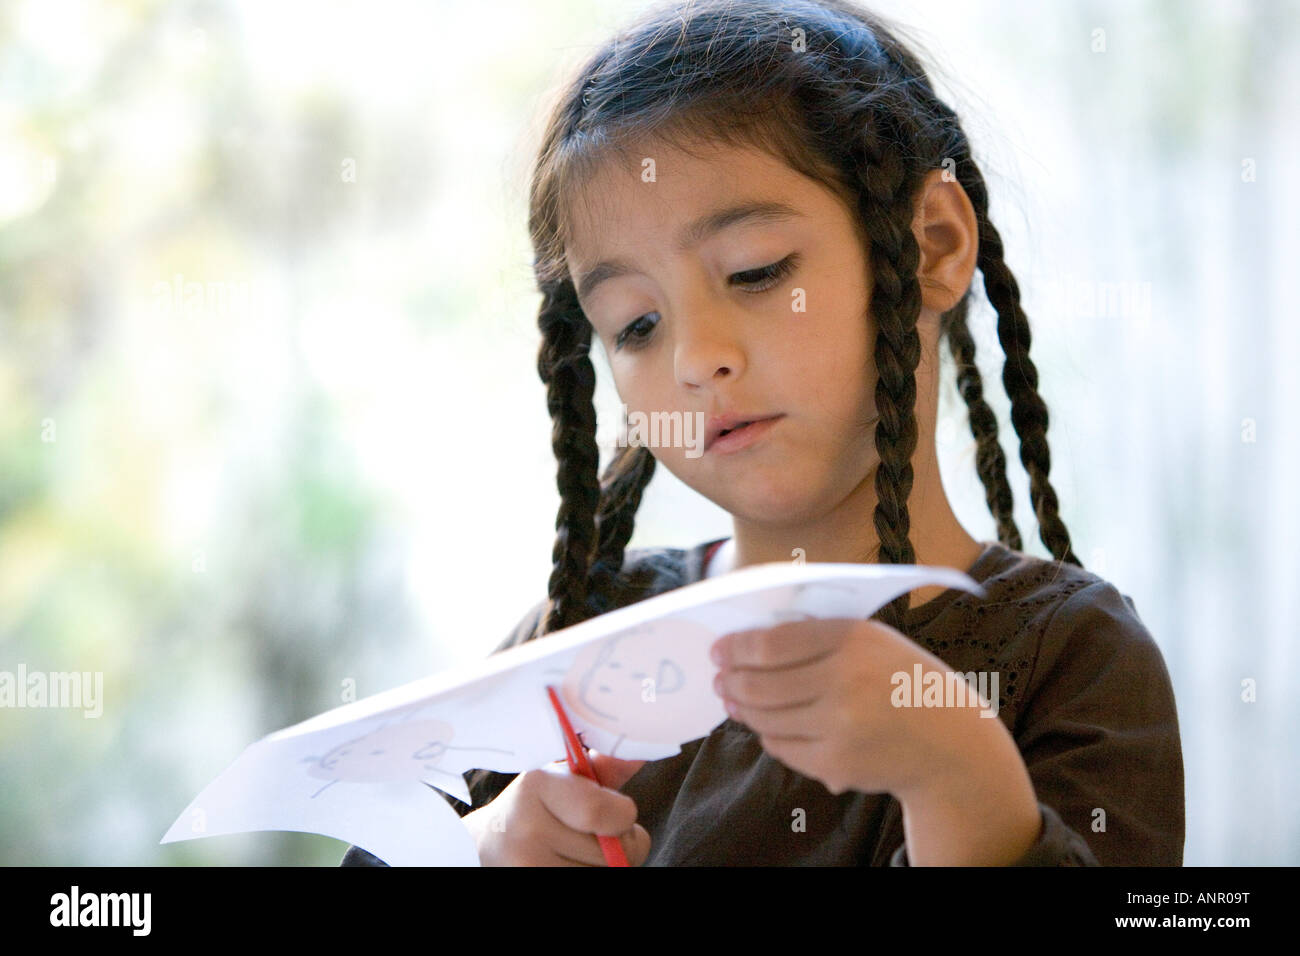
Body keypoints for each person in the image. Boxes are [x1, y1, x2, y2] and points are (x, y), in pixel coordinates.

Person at [341, 0, 1184, 866]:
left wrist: (956, 780)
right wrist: (481, 844)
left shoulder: (1070, 657)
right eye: (635, 324)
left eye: (756, 272)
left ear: (932, 243)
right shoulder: (577, 638)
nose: (697, 358)